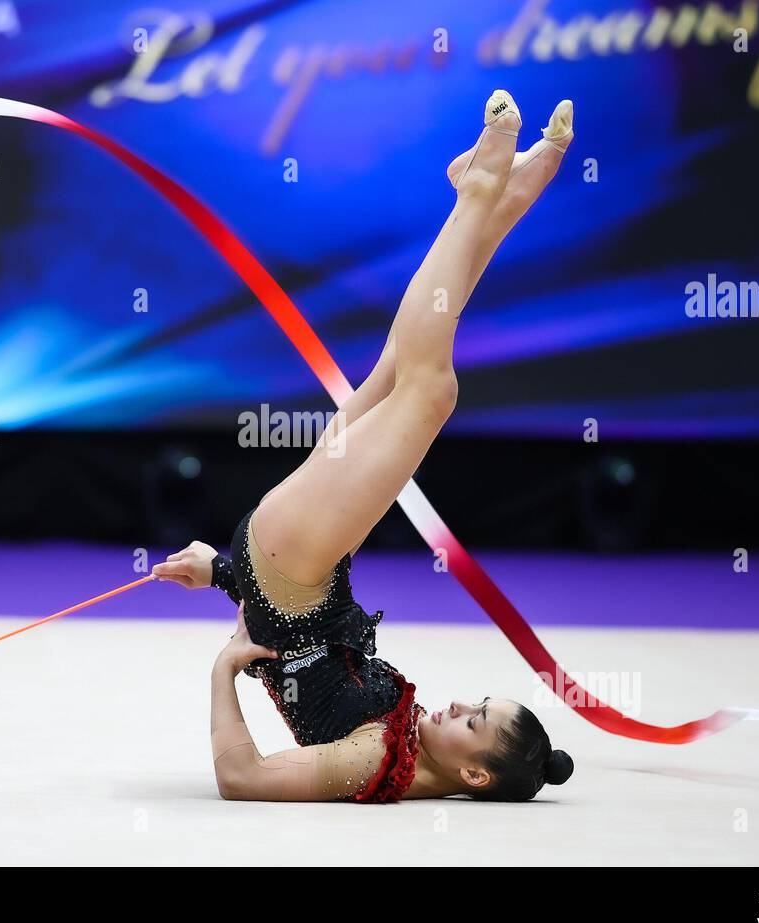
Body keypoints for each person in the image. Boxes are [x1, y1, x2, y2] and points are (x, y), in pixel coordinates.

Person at [154, 91, 577, 802]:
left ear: (473, 774)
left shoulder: (375, 758)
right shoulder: (406, 738)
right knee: (400, 368)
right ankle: (490, 205)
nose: (457, 709)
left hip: (297, 565)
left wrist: (223, 671)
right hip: (297, 563)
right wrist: (223, 575)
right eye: (479, 703)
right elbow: (307, 647)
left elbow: (240, 777)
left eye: (474, 722)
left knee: (430, 390)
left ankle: (479, 193)